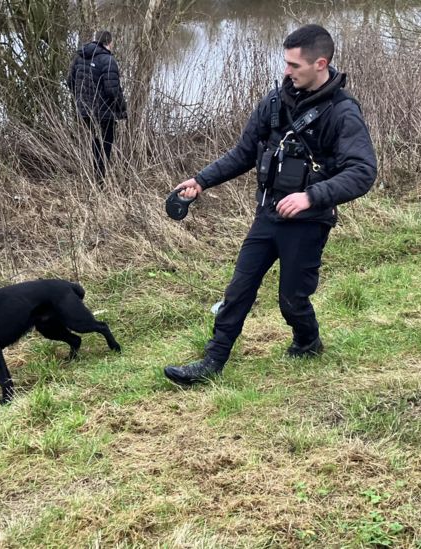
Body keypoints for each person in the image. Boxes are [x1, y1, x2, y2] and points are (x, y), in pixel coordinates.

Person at [164, 24, 378, 385]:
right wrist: (201, 180)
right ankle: (212, 362)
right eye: (286, 63)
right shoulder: (274, 103)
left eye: (295, 65)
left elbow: (363, 172)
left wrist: (311, 196)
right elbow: (244, 153)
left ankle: (307, 340)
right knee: (239, 289)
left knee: (292, 300)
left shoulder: (342, 113)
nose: (287, 71)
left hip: (309, 221)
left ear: (320, 63)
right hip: (268, 214)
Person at [66, 30, 128, 180]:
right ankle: (100, 179)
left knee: (95, 142)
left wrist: (80, 99)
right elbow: (112, 90)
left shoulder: (79, 57)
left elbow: (70, 81)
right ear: (109, 43)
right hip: (104, 112)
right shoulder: (108, 60)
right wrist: (122, 109)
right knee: (105, 145)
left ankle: (96, 177)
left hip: (85, 110)